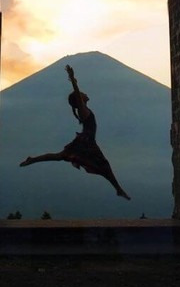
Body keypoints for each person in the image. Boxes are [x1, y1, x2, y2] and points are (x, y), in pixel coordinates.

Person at [20, 65, 131, 200]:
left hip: (85, 141)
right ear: (80, 100)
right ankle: (118, 189)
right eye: (82, 94)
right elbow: (77, 94)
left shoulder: (83, 109)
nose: (85, 94)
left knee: (60, 156)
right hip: (86, 142)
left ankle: (33, 159)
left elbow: (78, 95)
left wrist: (75, 81)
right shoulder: (82, 109)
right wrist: (72, 79)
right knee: (103, 165)